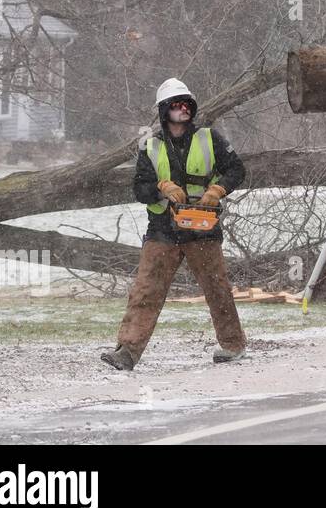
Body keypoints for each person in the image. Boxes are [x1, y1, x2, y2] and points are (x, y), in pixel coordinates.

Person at [101, 78, 247, 370]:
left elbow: (236, 170)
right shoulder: (151, 146)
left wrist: (217, 190)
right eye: (177, 105)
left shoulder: (210, 138)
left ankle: (233, 345)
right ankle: (127, 352)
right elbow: (140, 189)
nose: (183, 110)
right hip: (162, 230)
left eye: (186, 105)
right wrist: (161, 190)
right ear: (165, 110)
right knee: (146, 291)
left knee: (217, 288)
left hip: (202, 228)